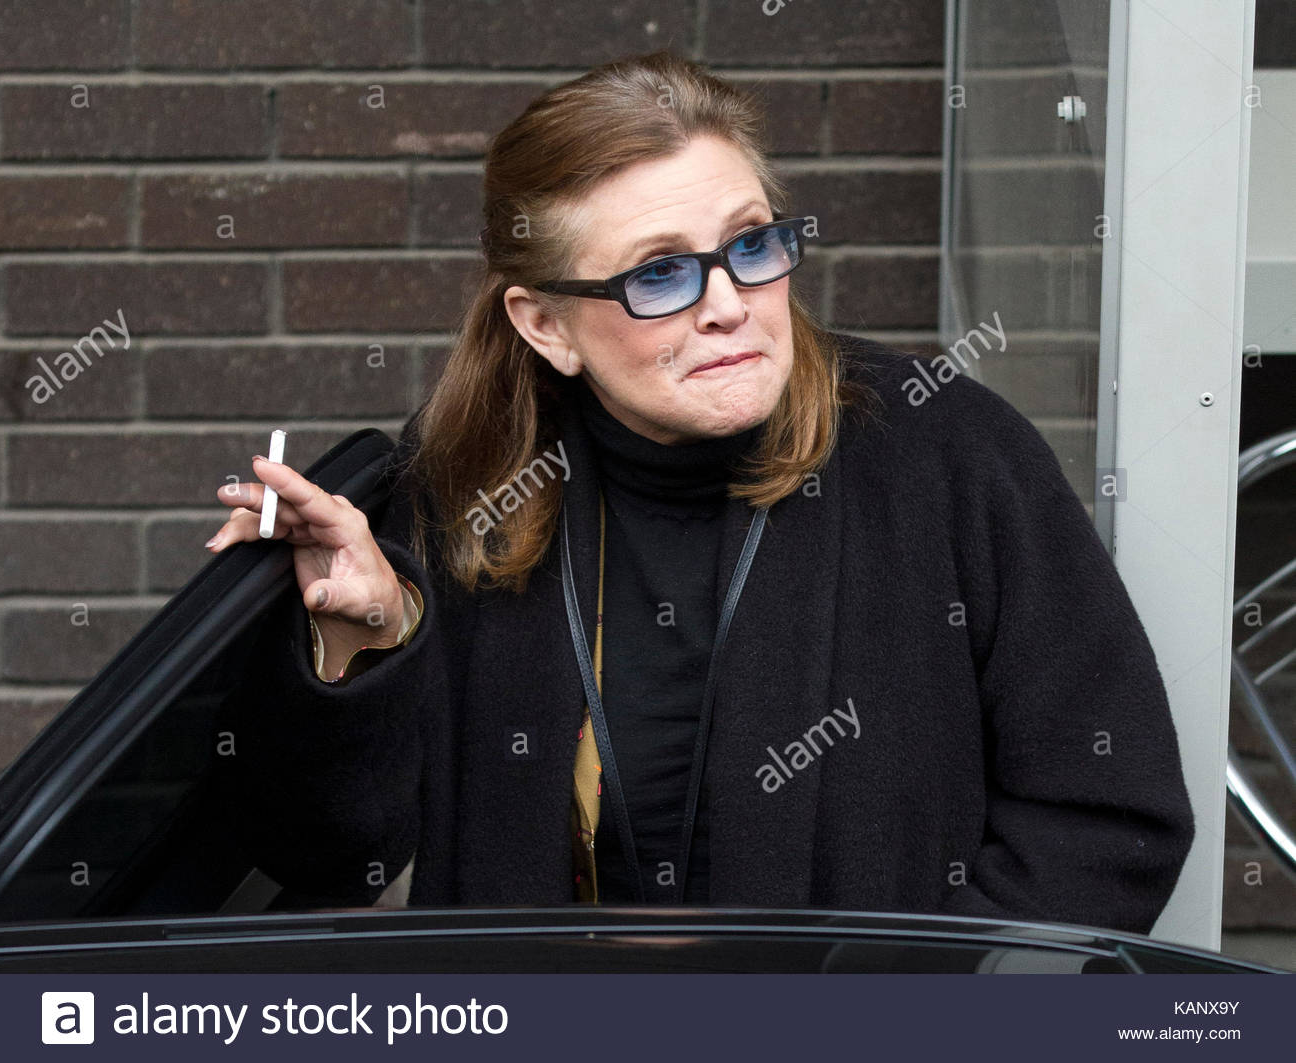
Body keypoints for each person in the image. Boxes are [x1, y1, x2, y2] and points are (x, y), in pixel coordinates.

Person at [209, 50, 1194, 934]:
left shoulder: (945, 451)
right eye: (661, 273)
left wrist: (932, 1016)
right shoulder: (473, 479)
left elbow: (1108, 818)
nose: (728, 305)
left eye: (751, 245)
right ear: (545, 323)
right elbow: (326, 854)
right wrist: (365, 641)